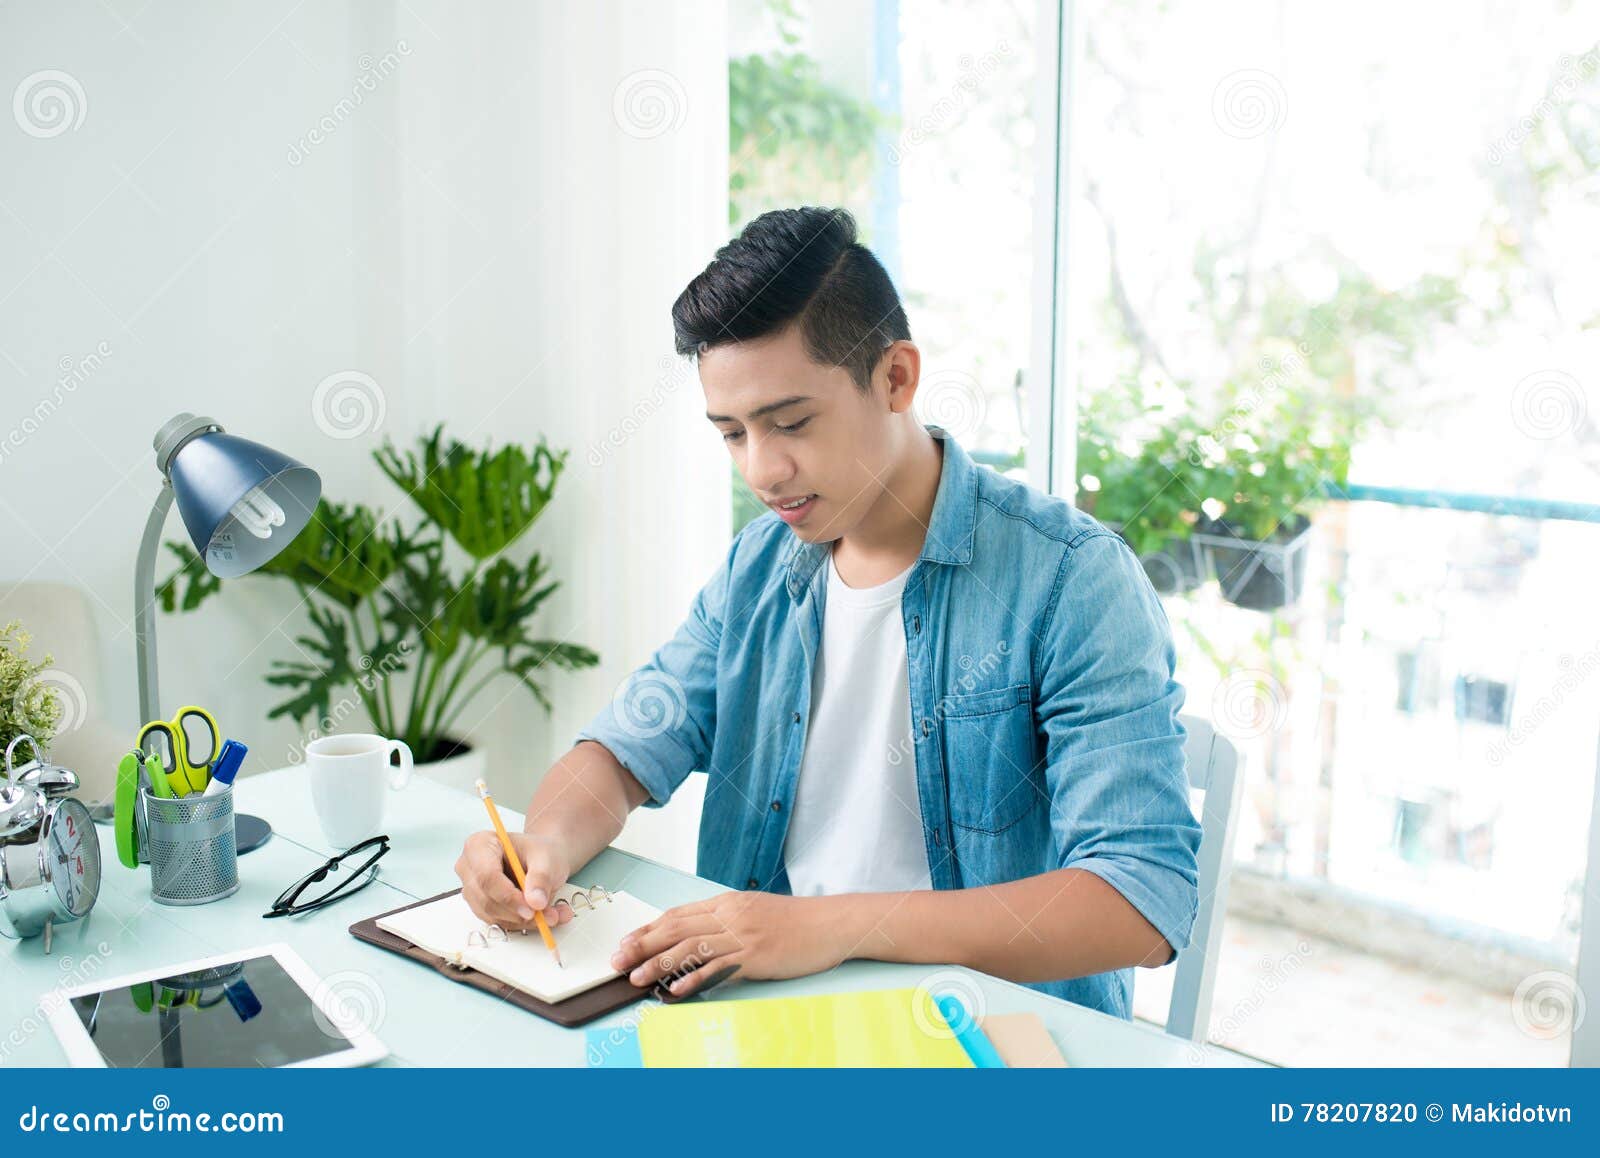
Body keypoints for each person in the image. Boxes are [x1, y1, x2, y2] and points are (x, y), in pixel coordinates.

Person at [455, 206, 1200, 1018]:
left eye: (792, 423)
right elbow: (626, 749)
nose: (763, 471)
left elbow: (1141, 899)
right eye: (732, 433)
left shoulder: (1070, 581)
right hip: (767, 1016)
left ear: (896, 378)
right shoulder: (758, 567)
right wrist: (544, 846)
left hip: (987, 1036)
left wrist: (834, 927)